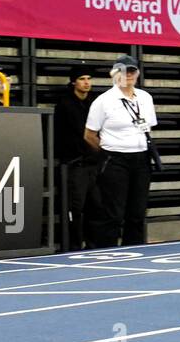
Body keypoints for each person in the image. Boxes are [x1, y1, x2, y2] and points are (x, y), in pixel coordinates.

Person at [84, 55, 159, 247]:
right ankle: (105, 250)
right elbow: (90, 135)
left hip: (141, 158)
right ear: (115, 75)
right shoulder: (104, 101)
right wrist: (108, 152)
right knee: (113, 212)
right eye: (124, 72)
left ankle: (135, 250)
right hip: (115, 158)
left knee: (137, 211)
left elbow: (147, 127)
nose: (128, 75)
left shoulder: (145, 98)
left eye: (132, 71)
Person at [54, 66, 100, 250]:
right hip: (75, 163)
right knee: (76, 208)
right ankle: (74, 246)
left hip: (94, 163)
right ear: (74, 81)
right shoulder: (65, 104)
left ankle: (94, 244)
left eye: (89, 78)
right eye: (82, 78)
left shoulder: (94, 103)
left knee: (96, 206)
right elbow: (81, 133)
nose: (87, 82)